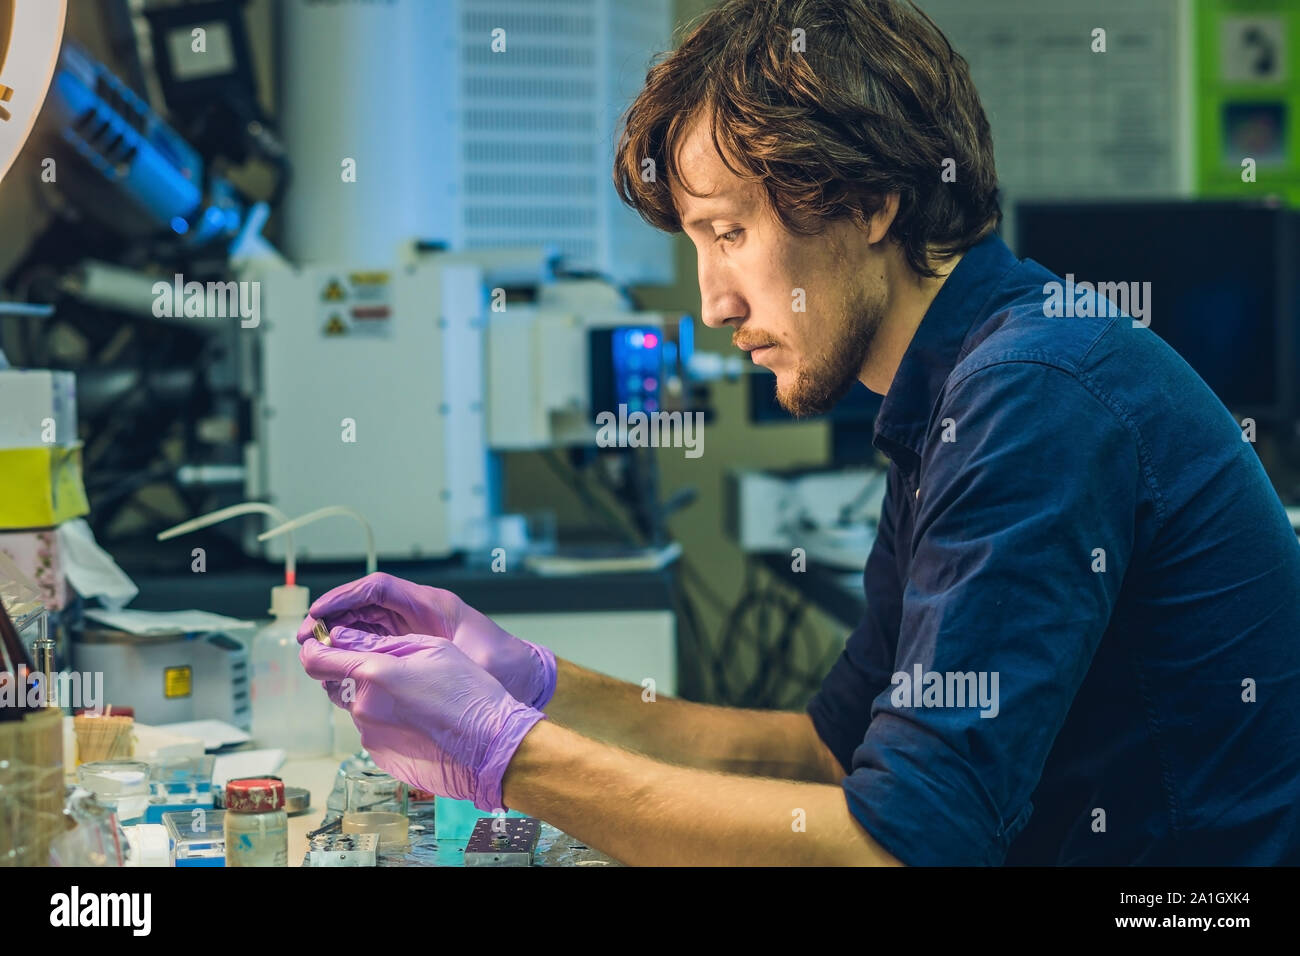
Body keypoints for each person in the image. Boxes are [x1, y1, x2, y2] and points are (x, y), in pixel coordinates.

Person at [297, 0, 1300, 865]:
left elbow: (901, 843)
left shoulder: (1032, 395)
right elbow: (825, 754)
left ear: (867, 202)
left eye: (730, 233)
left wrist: (507, 754)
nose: (713, 303)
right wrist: (532, 683)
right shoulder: (958, 386)